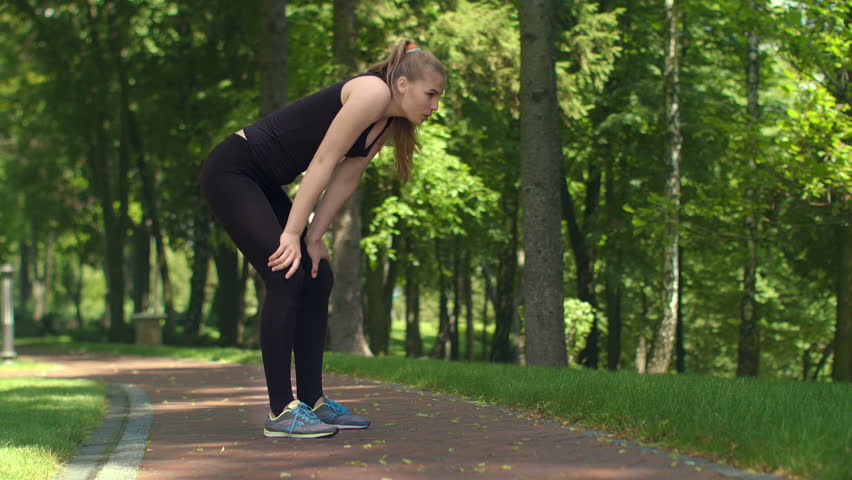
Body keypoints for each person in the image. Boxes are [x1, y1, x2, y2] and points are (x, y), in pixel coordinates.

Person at [199, 39, 446, 439]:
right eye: (431, 94)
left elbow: (348, 176)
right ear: (403, 84)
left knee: (318, 275)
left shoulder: (387, 120)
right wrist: (294, 232)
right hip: (234, 171)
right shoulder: (372, 92)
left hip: (262, 182)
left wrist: (314, 237)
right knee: (285, 273)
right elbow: (323, 162)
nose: (435, 105)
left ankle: (312, 401)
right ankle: (282, 412)